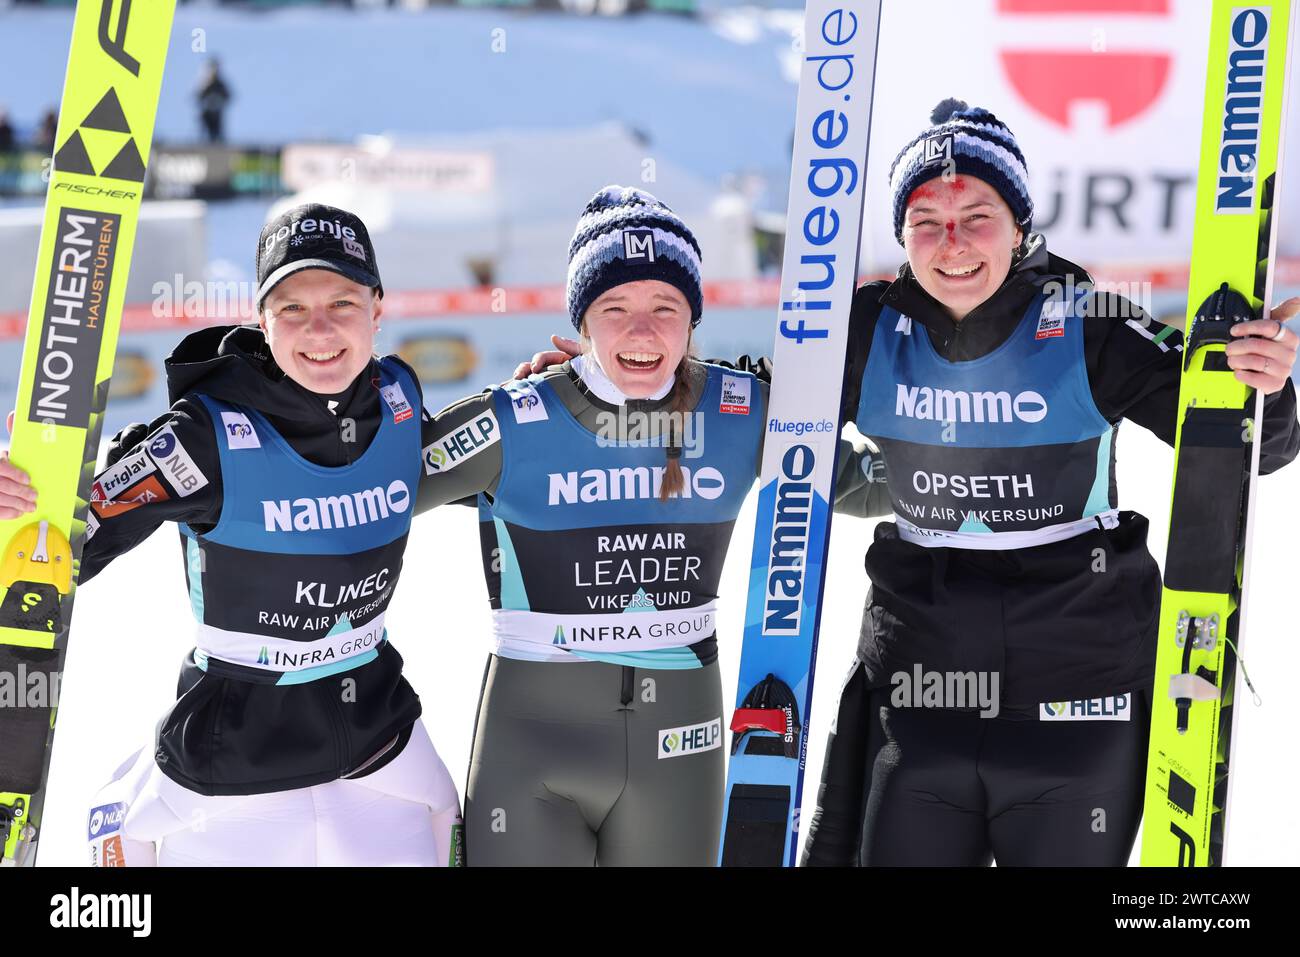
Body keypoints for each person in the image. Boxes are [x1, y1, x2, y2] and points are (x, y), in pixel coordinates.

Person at [796, 100, 1300, 866]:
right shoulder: (866, 331)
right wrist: (591, 392)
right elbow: (760, 424)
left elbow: (1242, 445)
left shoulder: (1089, 323)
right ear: (902, 236)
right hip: (922, 703)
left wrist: (1266, 387)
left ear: (1021, 223)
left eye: (978, 215)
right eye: (926, 220)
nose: (952, 243)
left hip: (1080, 703)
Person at [411, 185, 888, 865]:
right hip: (532, 755)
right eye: (615, 308)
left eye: (665, 307)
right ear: (581, 321)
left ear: (693, 320)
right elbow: (371, 491)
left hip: (680, 748)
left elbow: (872, 486)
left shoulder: (740, 411)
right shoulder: (513, 421)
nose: (642, 331)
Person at [0, 204, 463, 866]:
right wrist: (23, 504)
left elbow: (497, 466)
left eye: (342, 301)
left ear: (378, 308)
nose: (321, 329)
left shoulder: (398, 402)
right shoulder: (202, 438)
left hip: (380, 741)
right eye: (293, 308)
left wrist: (569, 397)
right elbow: (60, 546)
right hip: (228, 769)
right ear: (262, 318)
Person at [196, 59, 232, 144]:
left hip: (217, 112)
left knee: (217, 133)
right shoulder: (204, 83)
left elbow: (228, 96)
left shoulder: (220, 84)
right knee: (205, 134)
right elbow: (199, 96)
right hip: (207, 112)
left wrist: (220, 101)